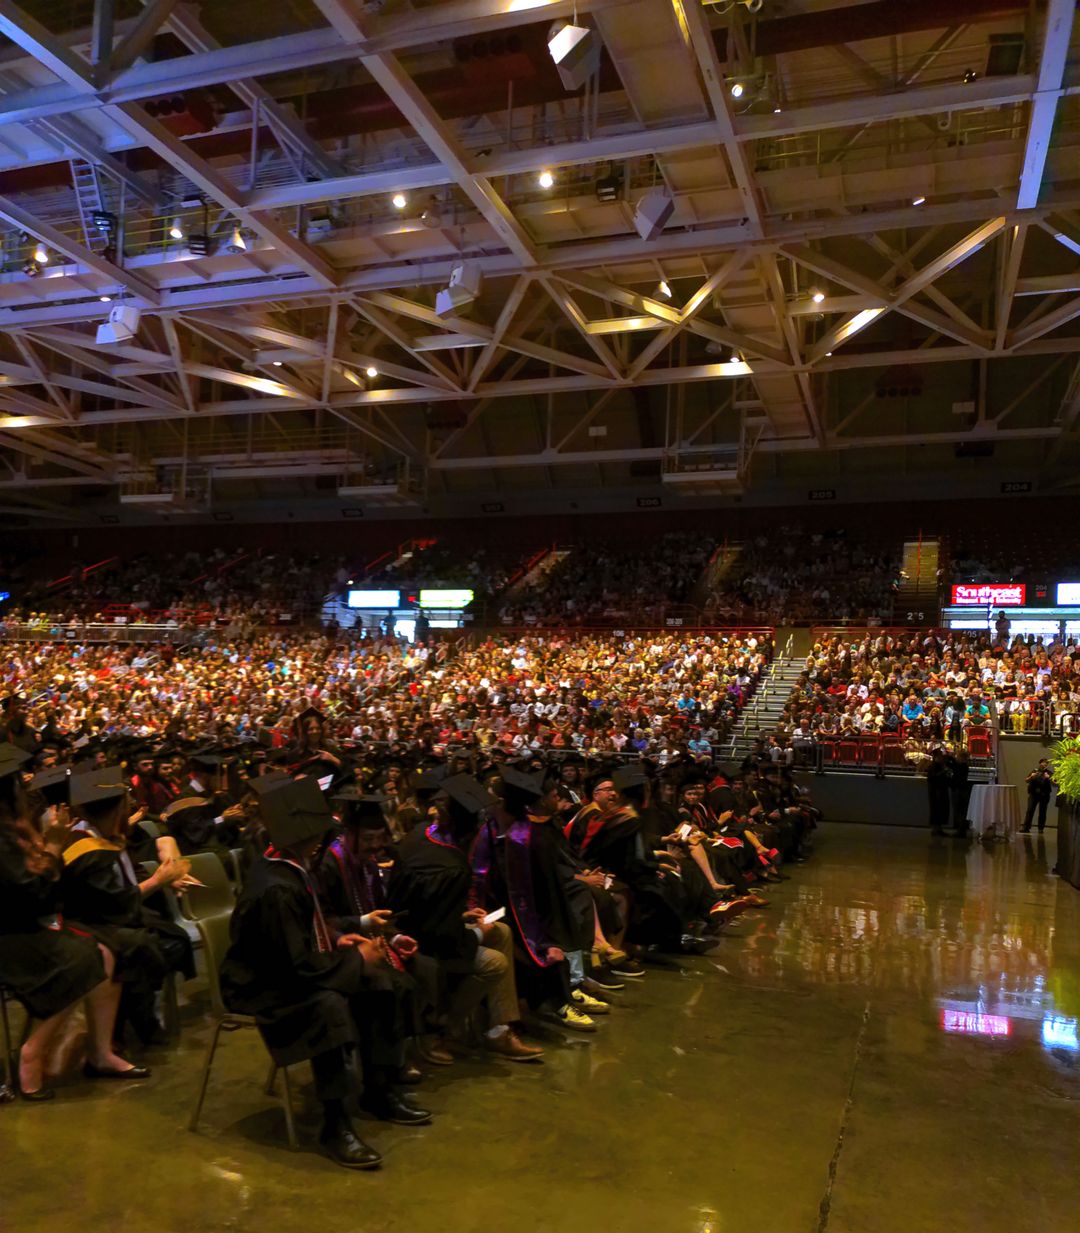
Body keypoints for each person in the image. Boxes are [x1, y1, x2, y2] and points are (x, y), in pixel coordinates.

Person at [220, 775, 431, 1171]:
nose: (323, 839)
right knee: (329, 1004)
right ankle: (335, 1123)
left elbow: (303, 937)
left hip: (288, 969)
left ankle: (379, 1089)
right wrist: (356, 960)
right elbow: (294, 967)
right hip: (260, 986)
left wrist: (337, 938)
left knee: (380, 981)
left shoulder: (290, 867)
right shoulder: (277, 885)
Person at [0, 744, 145, 1098]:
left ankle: (100, 1053)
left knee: (107, 951)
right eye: (20, 785)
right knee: (83, 958)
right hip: (9, 936)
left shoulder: (15, 828)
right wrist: (52, 845)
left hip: (28, 925)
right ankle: (33, 1053)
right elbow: (30, 892)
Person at [388, 773, 544, 1061]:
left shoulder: (422, 834)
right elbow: (442, 935)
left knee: (504, 932)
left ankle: (499, 1029)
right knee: (494, 963)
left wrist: (462, 913)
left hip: (420, 923)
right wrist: (476, 931)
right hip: (420, 941)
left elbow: (429, 905)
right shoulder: (451, 866)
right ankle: (441, 1029)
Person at [1022, 758, 1054, 833]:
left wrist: (1049, 778)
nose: (1045, 764)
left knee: (1042, 811)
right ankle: (1026, 828)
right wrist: (1031, 776)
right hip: (1033, 794)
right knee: (1030, 810)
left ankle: (1040, 828)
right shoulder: (1035, 771)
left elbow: (1055, 783)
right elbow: (1026, 780)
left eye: (1046, 763)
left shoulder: (1049, 773)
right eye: (1044, 762)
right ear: (1040, 763)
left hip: (1044, 794)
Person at [926, 748, 951, 837]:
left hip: (941, 790)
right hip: (936, 791)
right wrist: (943, 772)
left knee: (940, 809)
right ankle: (935, 828)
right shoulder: (933, 766)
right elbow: (932, 778)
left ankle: (939, 828)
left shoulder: (941, 765)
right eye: (940, 755)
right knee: (936, 809)